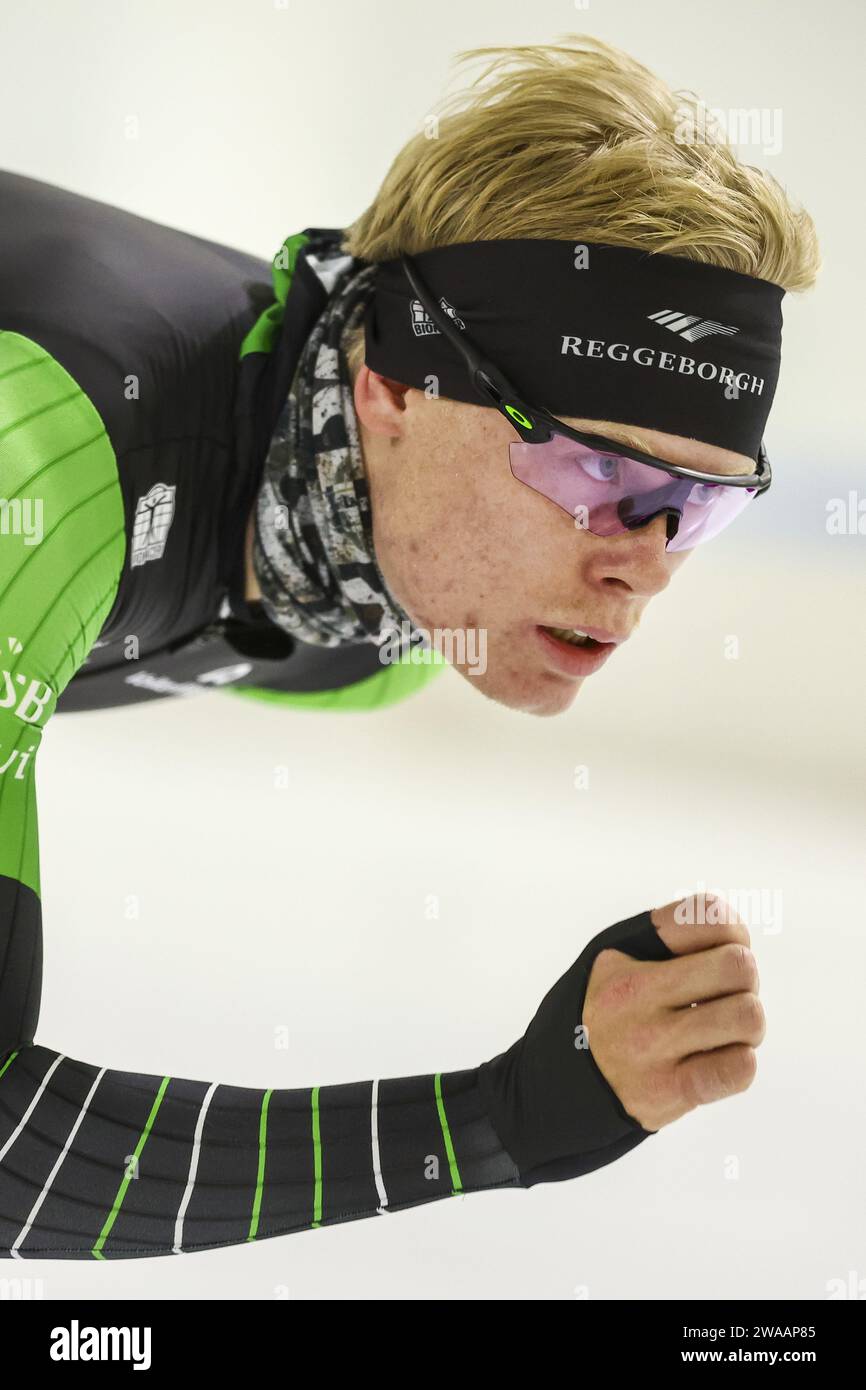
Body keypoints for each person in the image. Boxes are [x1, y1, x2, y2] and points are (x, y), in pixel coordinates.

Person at [0, 35, 817, 1260]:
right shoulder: (46, 455)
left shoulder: (376, 637)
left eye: (692, 504)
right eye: (592, 466)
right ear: (387, 381)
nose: (640, 556)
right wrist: (494, 1124)